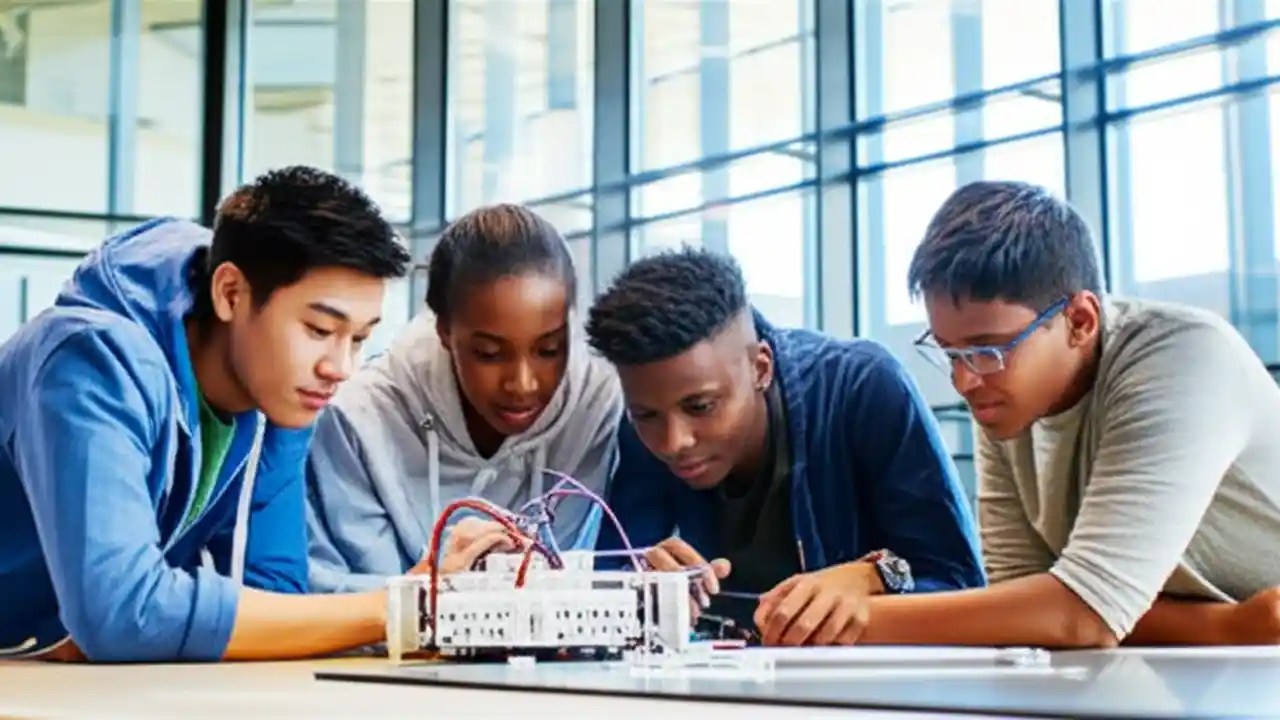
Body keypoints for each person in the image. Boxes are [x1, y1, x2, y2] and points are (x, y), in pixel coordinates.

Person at [840, 179, 1280, 648]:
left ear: (1080, 321)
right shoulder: (1005, 397)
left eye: (986, 349)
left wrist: (856, 618)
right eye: (950, 353)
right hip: (1213, 660)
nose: (963, 381)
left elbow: (1081, 614)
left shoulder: (1184, 357)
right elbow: (1028, 603)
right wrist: (1224, 627)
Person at [0, 166, 414, 663]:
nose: (341, 367)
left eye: (361, 339)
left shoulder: (279, 396)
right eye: (320, 329)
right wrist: (396, 610)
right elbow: (123, 612)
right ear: (230, 293)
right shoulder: (89, 361)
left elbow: (275, 595)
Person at [585, 247, 986, 646]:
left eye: (701, 407)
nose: (674, 443)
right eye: (646, 415)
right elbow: (610, 579)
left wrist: (873, 576)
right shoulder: (646, 425)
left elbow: (957, 581)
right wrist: (641, 592)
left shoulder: (861, 388)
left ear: (761, 367)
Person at [306, 204, 623, 592]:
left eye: (549, 349)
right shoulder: (357, 418)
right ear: (444, 331)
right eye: (489, 354)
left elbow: (556, 579)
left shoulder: (595, 402)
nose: (522, 384)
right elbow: (345, 593)